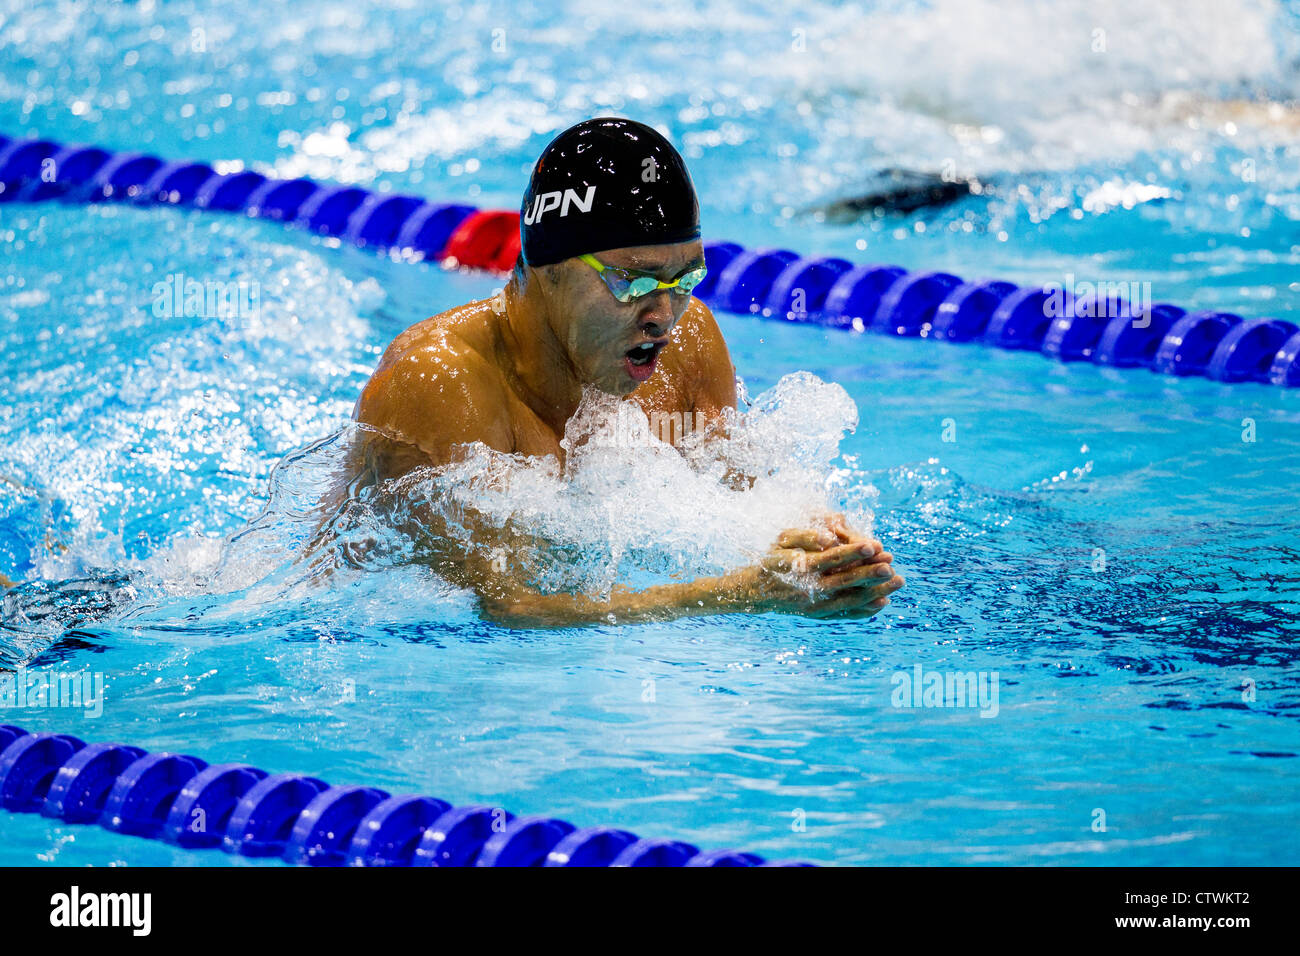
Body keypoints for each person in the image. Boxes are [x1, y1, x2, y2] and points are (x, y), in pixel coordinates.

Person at [345, 117, 904, 627]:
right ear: (550, 270)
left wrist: (822, 542)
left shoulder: (687, 341)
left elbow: (736, 490)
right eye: (633, 282)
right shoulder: (441, 383)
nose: (662, 316)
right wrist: (744, 593)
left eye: (684, 280)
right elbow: (511, 605)